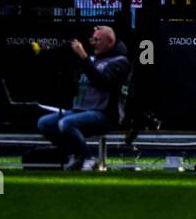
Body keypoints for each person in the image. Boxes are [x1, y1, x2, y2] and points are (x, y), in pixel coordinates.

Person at [36, 26, 132, 171]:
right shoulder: (92, 58)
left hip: (105, 114)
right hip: (81, 110)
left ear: (110, 41)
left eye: (97, 40)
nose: (93, 43)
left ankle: (89, 158)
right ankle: (74, 154)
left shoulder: (121, 62)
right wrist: (49, 50)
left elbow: (102, 81)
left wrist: (84, 57)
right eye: (92, 39)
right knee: (44, 123)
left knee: (66, 123)